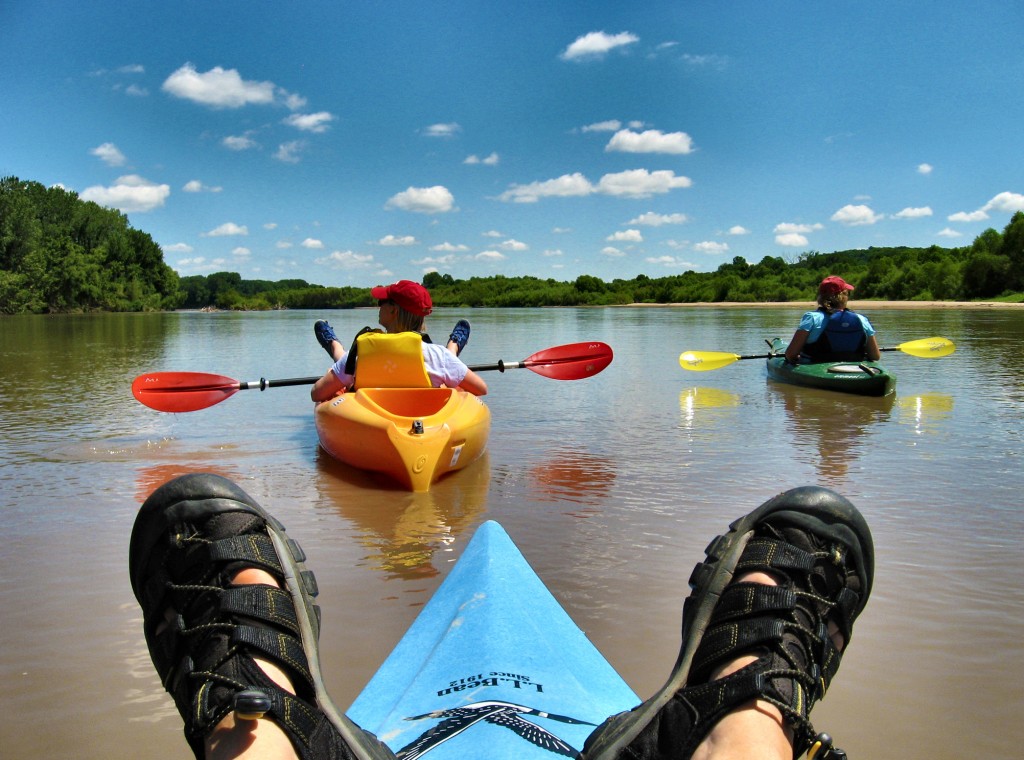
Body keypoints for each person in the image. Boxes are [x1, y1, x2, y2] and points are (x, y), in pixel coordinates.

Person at [131, 473, 872, 760]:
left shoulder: (364, 352)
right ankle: (741, 721)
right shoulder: (436, 360)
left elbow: (335, 386)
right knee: (755, 748)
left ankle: (260, 727)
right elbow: (473, 384)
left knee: (247, 746)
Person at [309, 280, 486, 403]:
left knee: (344, 363)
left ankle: (334, 345)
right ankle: (453, 347)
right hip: (442, 359)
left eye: (382, 301)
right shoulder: (437, 355)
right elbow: (481, 388)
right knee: (448, 360)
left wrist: (334, 375)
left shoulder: (360, 354)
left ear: (393, 311)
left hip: (368, 405)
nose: (378, 306)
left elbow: (317, 393)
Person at [784, 276, 881, 364]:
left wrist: (796, 357)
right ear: (844, 296)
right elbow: (875, 356)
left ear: (820, 297)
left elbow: (791, 354)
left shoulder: (811, 318)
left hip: (817, 364)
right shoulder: (862, 319)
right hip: (854, 366)